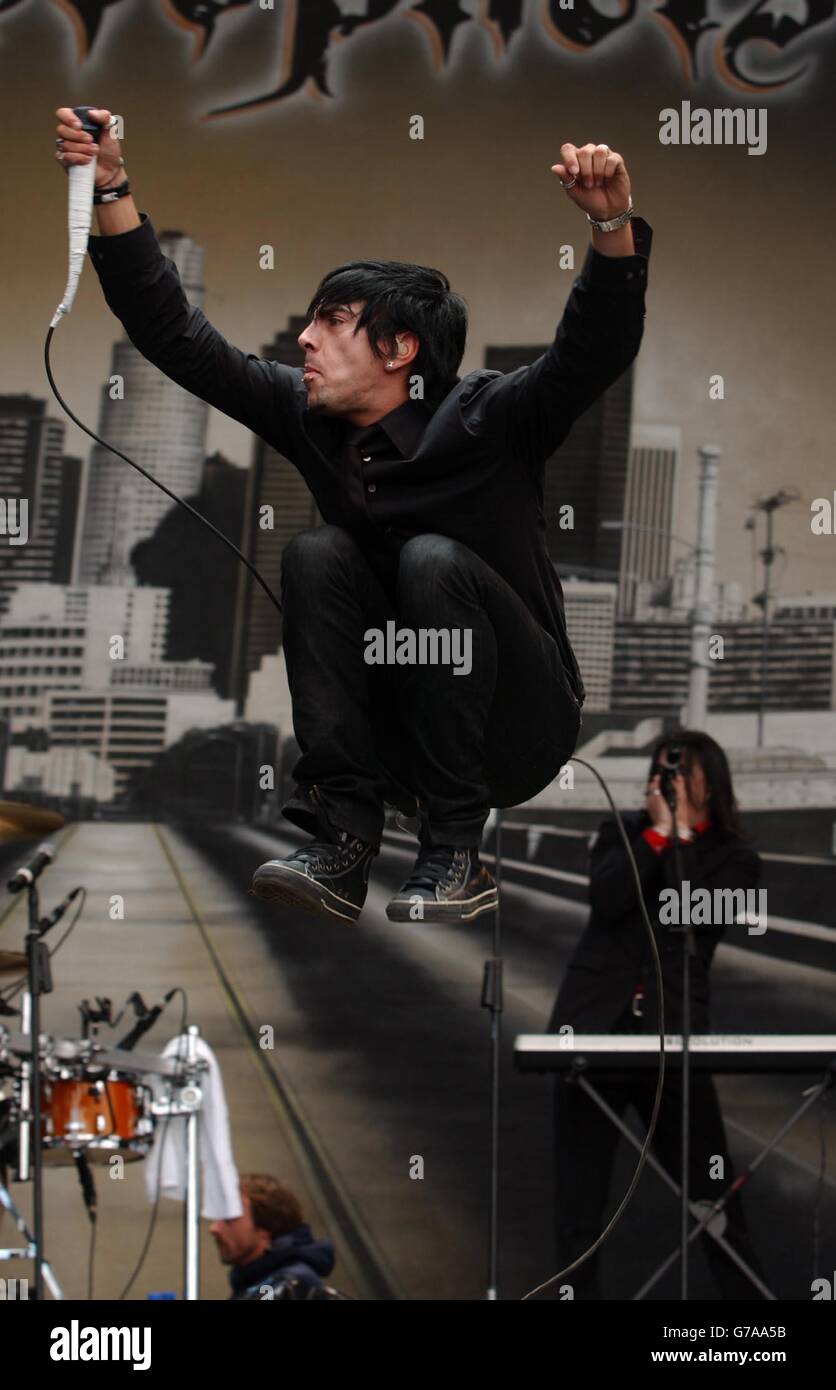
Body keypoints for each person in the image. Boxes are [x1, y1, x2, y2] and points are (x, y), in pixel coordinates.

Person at [54, 106, 652, 925]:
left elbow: (596, 349)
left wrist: (610, 223)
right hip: (403, 727)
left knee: (432, 560)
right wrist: (113, 187)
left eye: (331, 323)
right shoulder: (311, 420)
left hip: (521, 723)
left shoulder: (492, 418)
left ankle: (454, 855)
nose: (304, 339)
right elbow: (178, 338)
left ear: (401, 349)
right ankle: (342, 844)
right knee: (317, 552)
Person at [548, 730, 769, 1299]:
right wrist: (656, 835)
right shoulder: (620, 833)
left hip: (674, 1041)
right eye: (664, 769)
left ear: (709, 782)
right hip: (596, 1032)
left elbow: (693, 915)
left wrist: (678, 841)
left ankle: (756, 1327)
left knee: (713, 1194)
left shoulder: (736, 857)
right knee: (579, 1201)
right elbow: (608, 898)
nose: (669, 780)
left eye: (684, 771)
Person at [208, 1173, 336, 1301]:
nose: (214, 1228)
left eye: (229, 1220)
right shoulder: (262, 1284)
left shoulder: (286, 1287)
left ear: (265, 1228)